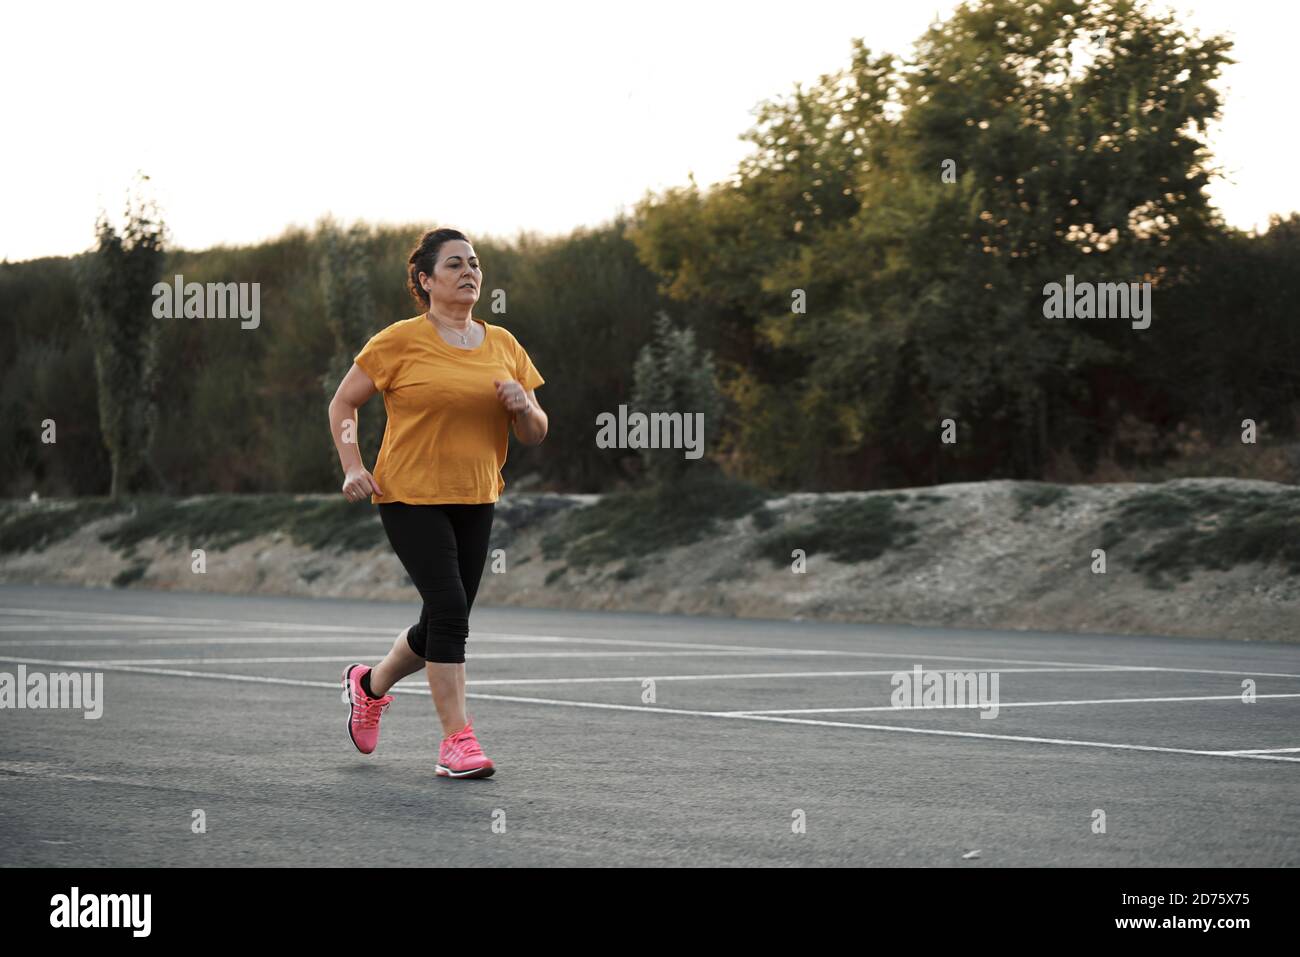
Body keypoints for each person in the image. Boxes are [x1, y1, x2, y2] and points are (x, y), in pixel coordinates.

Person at [326, 227, 547, 779]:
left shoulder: (504, 345)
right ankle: (457, 742)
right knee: (450, 613)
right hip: (408, 495)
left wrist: (523, 407)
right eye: (454, 264)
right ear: (425, 281)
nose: (469, 271)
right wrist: (354, 466)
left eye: (474, 263)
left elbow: (536, 432)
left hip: (476, 495)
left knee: (442, 624)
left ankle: (370, 685)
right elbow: (344, 403)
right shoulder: (398, 341)